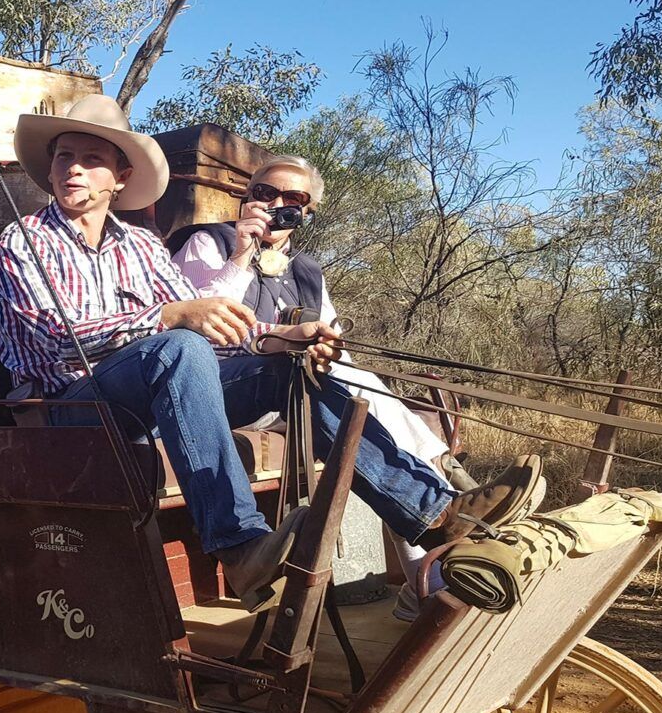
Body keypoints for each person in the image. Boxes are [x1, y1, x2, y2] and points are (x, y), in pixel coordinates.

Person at [0, 94, 543, 600]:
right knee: (178, 347)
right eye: (65, 158)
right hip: (70, 410)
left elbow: (213, 319)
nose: (75, 170)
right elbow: (48, 338)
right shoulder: (25, 241)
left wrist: (279, 337)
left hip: (148, 397)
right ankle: (238, 546)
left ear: (121, 176)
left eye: (91, 159)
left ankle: (434, 512)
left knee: (293, 368)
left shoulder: (140, 245)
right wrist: (166, 316)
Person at [170, 154, 475, 488]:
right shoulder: (208, 243)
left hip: (289, 395)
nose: (275, 203)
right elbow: (194, 326)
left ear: (307, 212)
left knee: (349, 382)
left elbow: (334, 344)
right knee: (342, 382)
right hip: (223, 390)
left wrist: (323, 350)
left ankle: (432, 503)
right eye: (265, 192)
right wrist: (241, 255)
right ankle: (448, 482)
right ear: (248, 197)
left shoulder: (308, 271)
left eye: (293, 199)